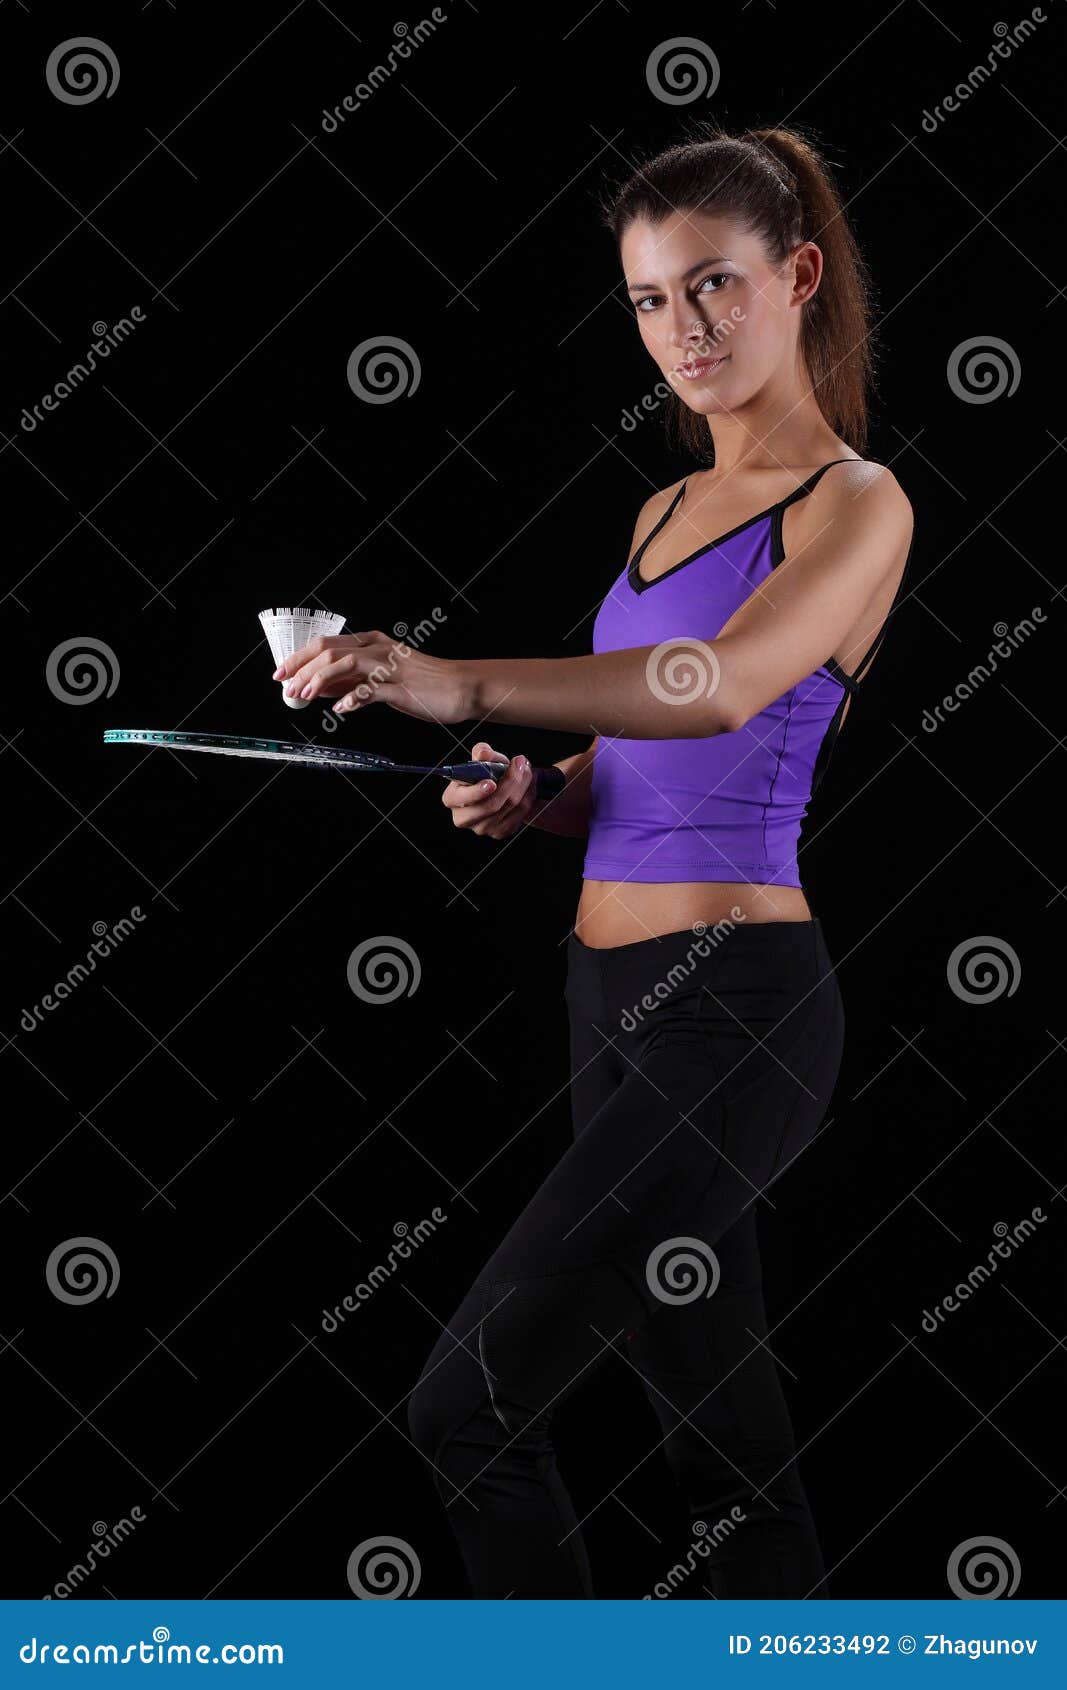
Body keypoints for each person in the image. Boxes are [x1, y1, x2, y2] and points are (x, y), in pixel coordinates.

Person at [274, 122, 915, 1597]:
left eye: (713, 287)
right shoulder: (661, 509)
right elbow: (639, 765)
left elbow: (727, 686)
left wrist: (459, 682)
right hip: (603, 999)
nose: (680, 330)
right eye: (646, 300)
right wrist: (538, 792)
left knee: (471, 1400)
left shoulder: (856, 503)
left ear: (797, 275)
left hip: (740, 1004)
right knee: (721, 1436)